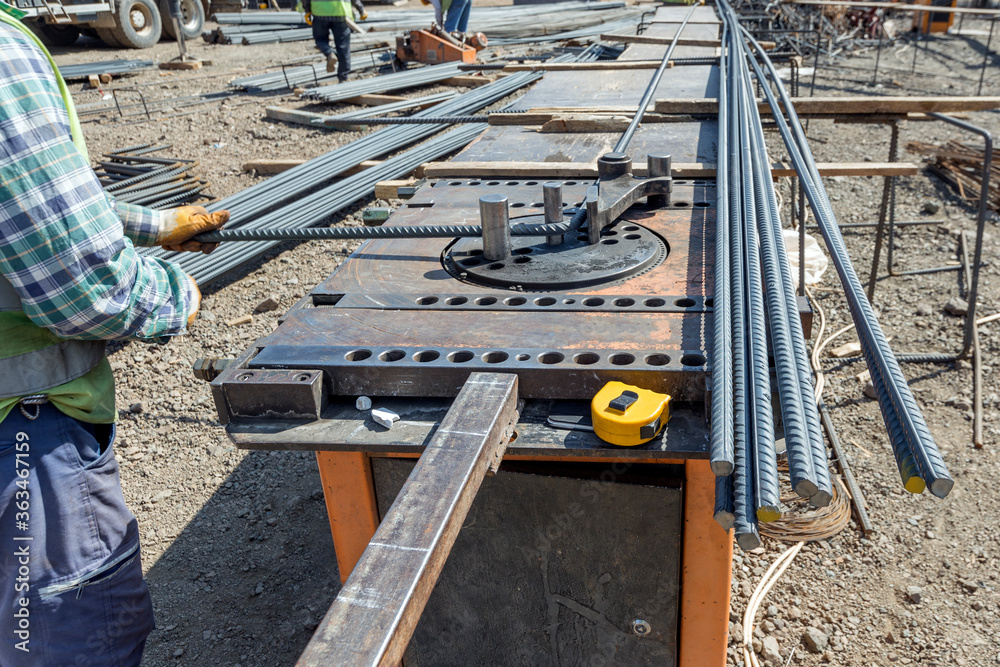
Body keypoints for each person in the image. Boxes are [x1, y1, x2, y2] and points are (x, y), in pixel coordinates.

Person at [0, 7, 228, 665]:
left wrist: (152, 223)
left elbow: (27, 202)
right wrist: (172, 294)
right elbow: (86, 287)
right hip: (24, 435)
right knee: (71, 641)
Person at [305, 0, 366, 80]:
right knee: (343, 47)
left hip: (319, 12)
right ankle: (343, 77)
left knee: (320, 40)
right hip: (341, 12)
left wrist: (307, 10)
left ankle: (329, 52)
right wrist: (361, 9)